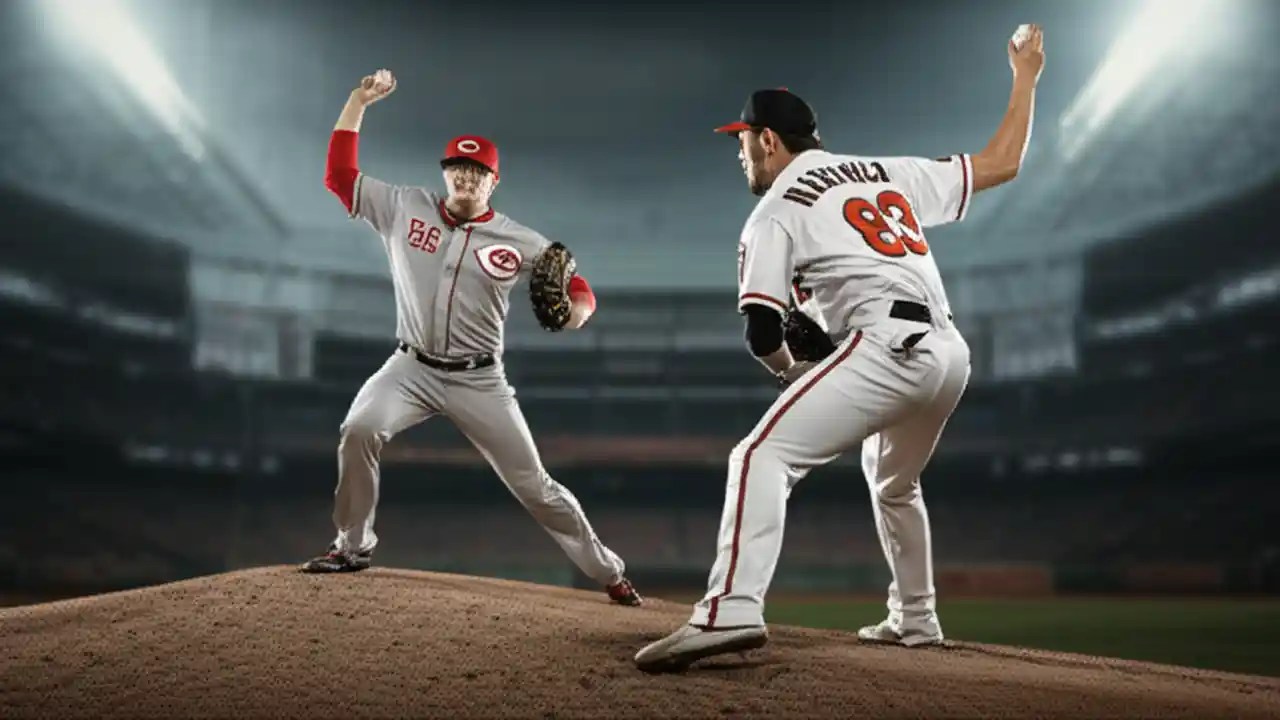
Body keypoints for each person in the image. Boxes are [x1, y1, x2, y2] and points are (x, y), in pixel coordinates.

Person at [636, 25, 1045, 671]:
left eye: (742, 142)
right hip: (949, 354)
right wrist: (1026, 75)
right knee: (894, 483)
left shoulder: (775, 209)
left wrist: (792, 371)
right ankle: (916, 619)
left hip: (888, 347)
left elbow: (762, 332)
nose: (740, 155)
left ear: (768, 140)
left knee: (760, 456)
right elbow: (1003, 163)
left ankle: (730, 611)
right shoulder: (886, 172)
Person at [302, 69, 642, 608]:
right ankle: (352, 545)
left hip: (479, 380)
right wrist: (357, 102)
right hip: (410, 368)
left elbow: (577, 286)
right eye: (458, 168)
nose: (466, 177)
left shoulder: (519, 240)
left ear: (493, 181)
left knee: (534, 485)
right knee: (359, 429)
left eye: (477, 170)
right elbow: (339, 176)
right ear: (445, 173)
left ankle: (610, 573)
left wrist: (578, 311)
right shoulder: (403, 206)